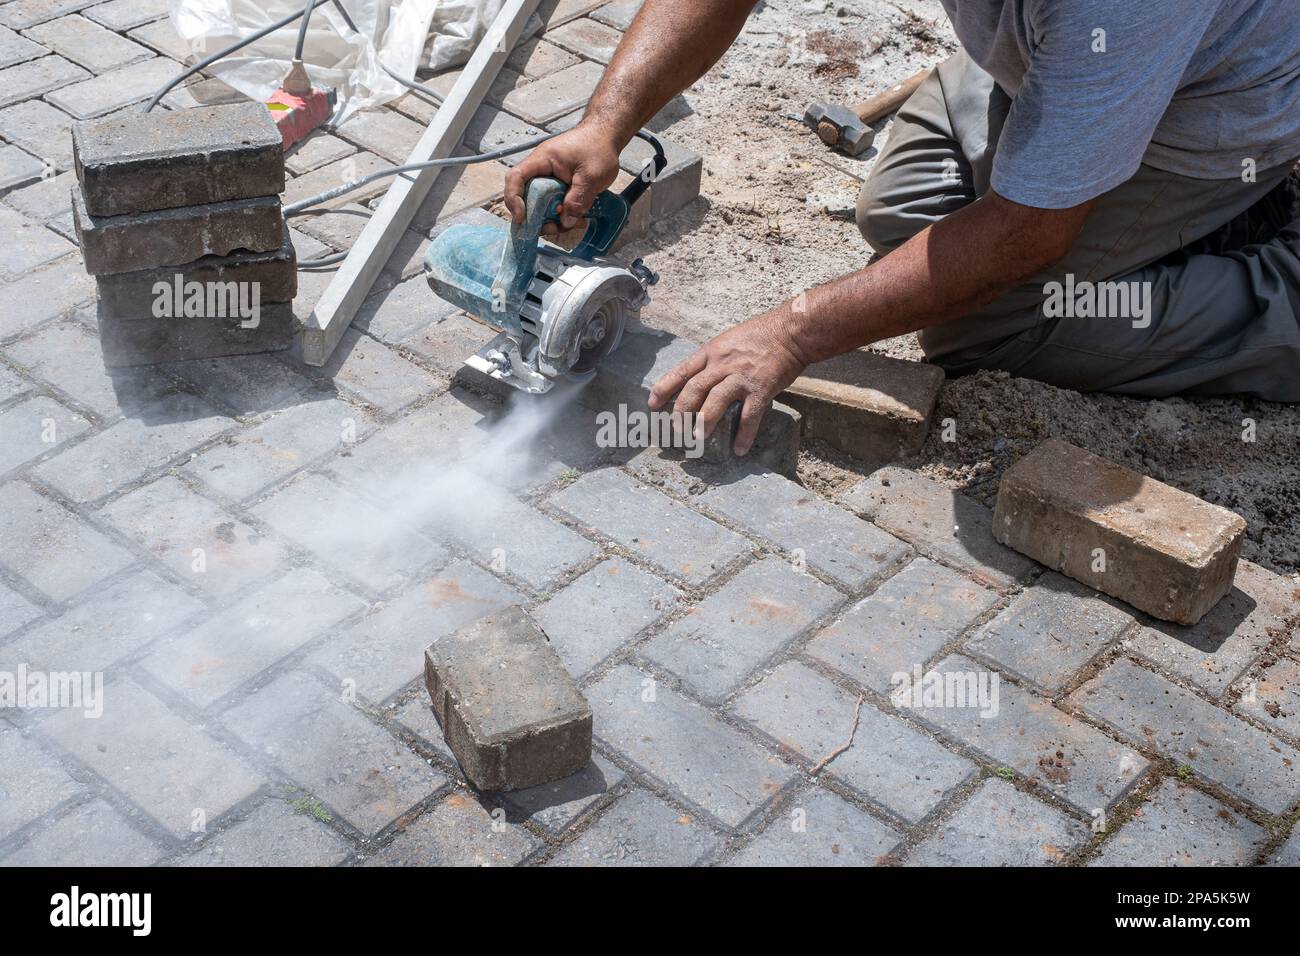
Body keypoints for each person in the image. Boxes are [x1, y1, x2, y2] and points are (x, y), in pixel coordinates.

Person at [505, 0, 1300, 456]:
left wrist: (790, 334)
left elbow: (1027, 235)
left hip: (1203, 126)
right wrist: (605, 126)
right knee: (899, 219)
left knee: (985, 322)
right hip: (1051, 56)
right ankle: (1058, 111)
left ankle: (1277, 288)